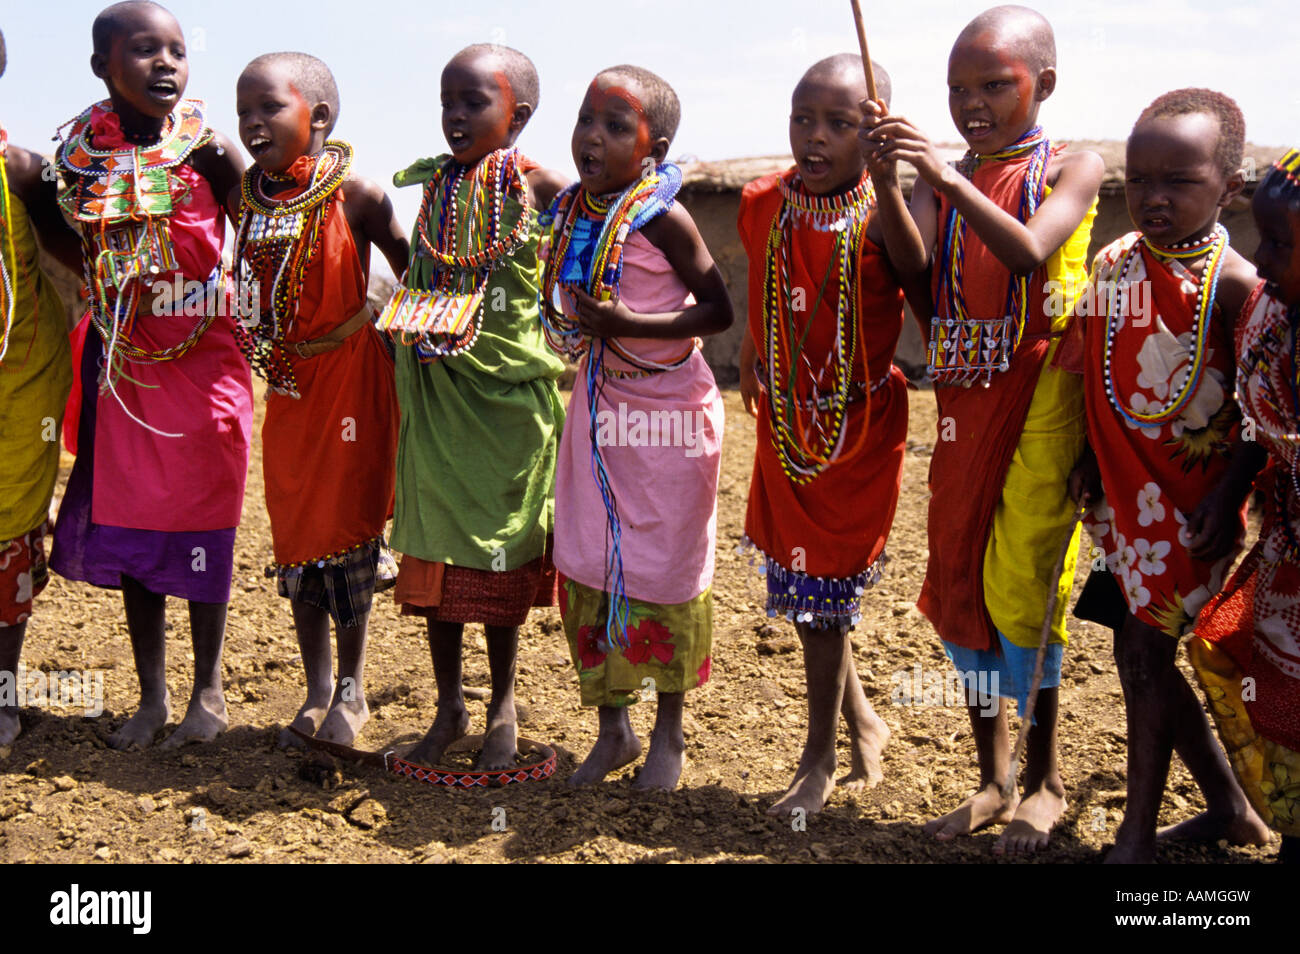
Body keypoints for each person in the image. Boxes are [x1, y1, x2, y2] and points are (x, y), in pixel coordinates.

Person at [867, 4, 1102, 852]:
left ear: (1044, 83)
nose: (973, 103)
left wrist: (947, 179)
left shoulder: (1074, 165)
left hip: (1040, 402)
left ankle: (1045, 779)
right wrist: (895, 188)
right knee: (960, 569)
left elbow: (1030, 254)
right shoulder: (940, 181)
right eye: (958, 89)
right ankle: (992, 776)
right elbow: (918, 282)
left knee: (1024, 584)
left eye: (995, 85)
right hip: (963, 399)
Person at [1060, 89, 1270, 863]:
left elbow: (1262, 405)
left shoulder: (1237, 287)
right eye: (1138, 179)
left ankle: (1136, 836)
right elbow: (1103, 378)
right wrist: (1088, 456)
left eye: (1177, 182)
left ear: (1230, 186)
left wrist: (1229, 490)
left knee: (1143, 656)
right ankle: (1230, 809)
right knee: (1135, 650)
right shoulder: (1116, 263)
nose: (1152, 198)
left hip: (1191, 514)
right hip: (1123, 508)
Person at [49, 1, 252, 750]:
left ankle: (209, 691)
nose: (165, 63)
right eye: (142, 50)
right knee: (134, 527)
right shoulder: (78, 161)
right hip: (125, 369)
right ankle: (151, 696)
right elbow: (58, 232)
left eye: (175, 50)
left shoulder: (209, 152)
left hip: (207, 368)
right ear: (102, 65)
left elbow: (258, 246)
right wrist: (114, 290)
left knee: (205, 524)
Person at [736, 54, 926, 815]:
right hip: (787, 419)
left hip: (858, 426)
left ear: (872, 132)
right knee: (812, 588)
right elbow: (761, 287)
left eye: (840, 125)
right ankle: (861, 724)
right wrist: (753, 357)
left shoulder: (885, 216)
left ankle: (816, 759)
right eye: (802, 120)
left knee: (825, 595)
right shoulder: (762, 205)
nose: (814, 139)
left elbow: (921, 290)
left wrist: (888, 185)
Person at [541, 65, 733, 790]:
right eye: (587, 118)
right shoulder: (571, 212)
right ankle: (613, 729)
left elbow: (718, 309)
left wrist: (629, 322)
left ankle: (669, 733)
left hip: (669, 418)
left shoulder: (662, 216)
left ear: (654, 149)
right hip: (599, 407)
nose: (594, 136)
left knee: (666, 568)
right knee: (591, 561)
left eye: (616, 126)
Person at [386, 45, 569, 771]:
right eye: (447, 103)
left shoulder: (545, 188)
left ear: (517, 115)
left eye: (473, 103)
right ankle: (448, 706)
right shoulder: (433, 191)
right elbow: (420, 274)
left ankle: (502, 705)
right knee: (435, 558)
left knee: (493, 563)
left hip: (506, 407)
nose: (455, 117)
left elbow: (579, 268)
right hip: (438, 399)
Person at [232, 52, 408, 747]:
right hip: (287, 386)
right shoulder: (247, 199)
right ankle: (314, 687)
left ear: (320, 118)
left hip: (351, 379)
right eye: (243, 110)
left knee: (349, 533)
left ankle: (353, 689)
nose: (252, 123)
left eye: (269, 108)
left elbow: (410, 271)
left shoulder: (357, 195)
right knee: (298, 535)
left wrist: (411, 354)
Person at [1191, 147, 1300, 864]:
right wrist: (1228, 492)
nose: (1259, 260)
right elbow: (1257, 427)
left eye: (1283, 244)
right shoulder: (1272, 313)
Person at [0, 26, 84, 746]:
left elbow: (84, 265)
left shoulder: (22, 172)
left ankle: (2, 693)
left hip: (18, 386)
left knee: (8, 537)